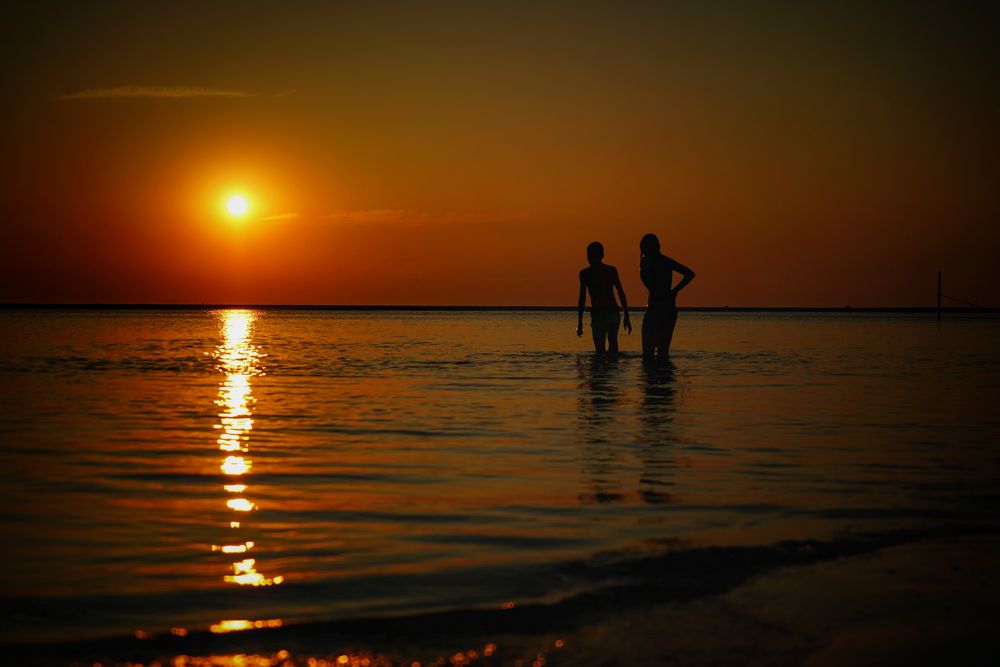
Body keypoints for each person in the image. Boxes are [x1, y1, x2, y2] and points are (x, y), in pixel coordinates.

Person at [639, 233, 695, 362]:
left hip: (657, 309)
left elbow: (690, 274)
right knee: (662, 354)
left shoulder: (649, 264)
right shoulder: (666, 261)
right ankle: (664, 377)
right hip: (668, 308)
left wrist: (675, 290)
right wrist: (674, 291)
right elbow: (689, 274)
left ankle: (655, 378)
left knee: (648, 354)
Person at [577, 241, 631, 353]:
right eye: (589, 255)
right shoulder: (585, 273)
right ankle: (607, 367)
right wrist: (580, 322)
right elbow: (582, 299)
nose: (590, 258)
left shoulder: (609, 271)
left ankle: (609, 367)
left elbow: (621, 293)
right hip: (600, 313)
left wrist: (627, 316)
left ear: (601, 256)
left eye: (592, 256)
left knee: (609, 347)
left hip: (610, 312)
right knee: (603, 348)